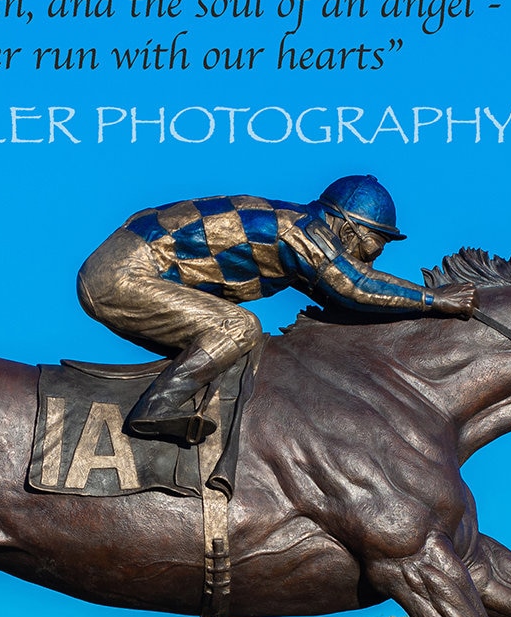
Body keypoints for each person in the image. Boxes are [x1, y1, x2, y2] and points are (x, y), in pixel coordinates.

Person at [77, 174, 477, 442]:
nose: (372, 257)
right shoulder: (301, 231)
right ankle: (158, 408)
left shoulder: (295, 227)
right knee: (239, 328)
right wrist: (434, 300)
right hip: (124, 274)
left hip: (127, 267)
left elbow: (344, 295)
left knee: (230, 348)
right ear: (348, 226)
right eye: (375, 244)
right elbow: (354, 285)